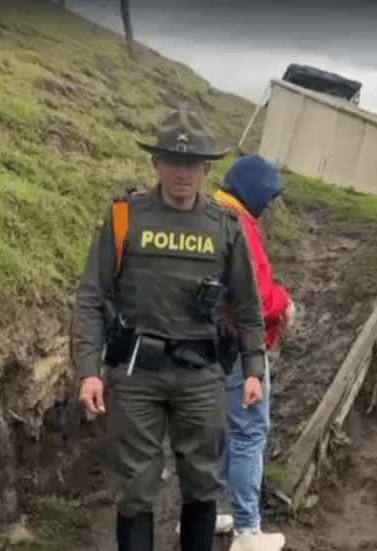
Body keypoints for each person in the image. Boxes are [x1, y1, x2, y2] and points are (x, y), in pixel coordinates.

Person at [72, 109, 268, 551]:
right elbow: (91, 297)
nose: (181, 173)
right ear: (156, 163)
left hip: (201, 376)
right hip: (135, 374)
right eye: (172, 161)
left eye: (191, 163)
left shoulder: (225, 226)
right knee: (134, 488)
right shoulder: (124, 217)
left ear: (205, 168)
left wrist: (253, 367)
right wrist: (88, 370)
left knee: (202, 483)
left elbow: (247, 306)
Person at [216, 154, 296, 551]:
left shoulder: (210, 215)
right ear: (254, 191)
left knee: (214, 430)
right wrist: (285, 301)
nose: (270, 205)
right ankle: (248, 531)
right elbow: (256, 299)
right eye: (269, 196)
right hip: (240, 347)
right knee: (248, 433)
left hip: (209, 346)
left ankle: (206, 514)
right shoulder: (239, 226)